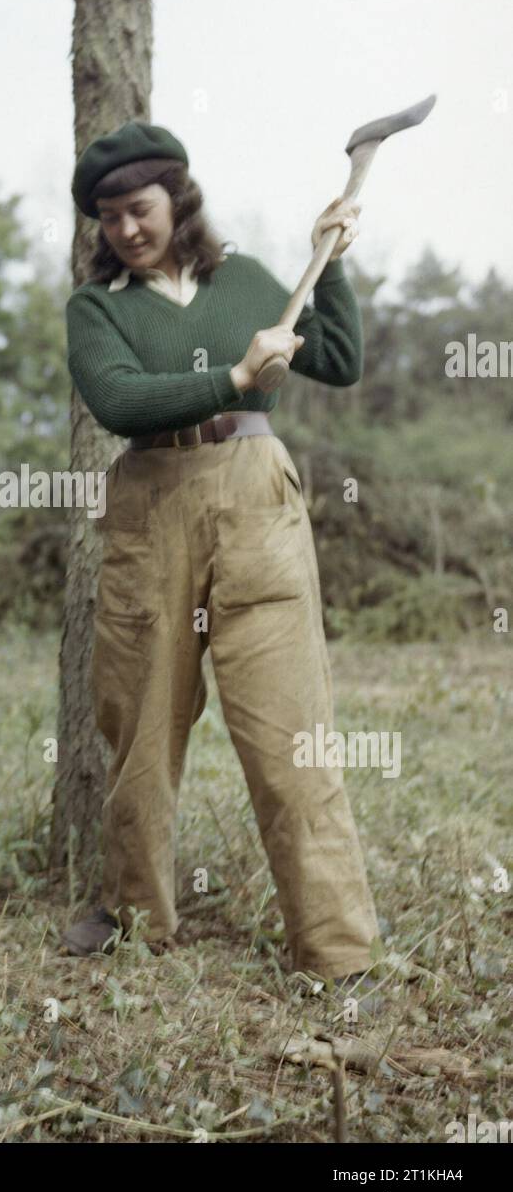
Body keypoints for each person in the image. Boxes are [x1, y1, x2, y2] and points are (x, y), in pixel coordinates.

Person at [62, 119, 381, 997]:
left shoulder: (244, 282)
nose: (127, 227)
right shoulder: (99, 309)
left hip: (253, 497)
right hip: (150, 505)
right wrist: (234, 379)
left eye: (140, 207)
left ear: (177, 198)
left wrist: (335, 261)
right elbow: (118, 399)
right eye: (109, 217)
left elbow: (344, 361)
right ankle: (135, 916)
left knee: (290, 730)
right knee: (139, 723)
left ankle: (336, 946)